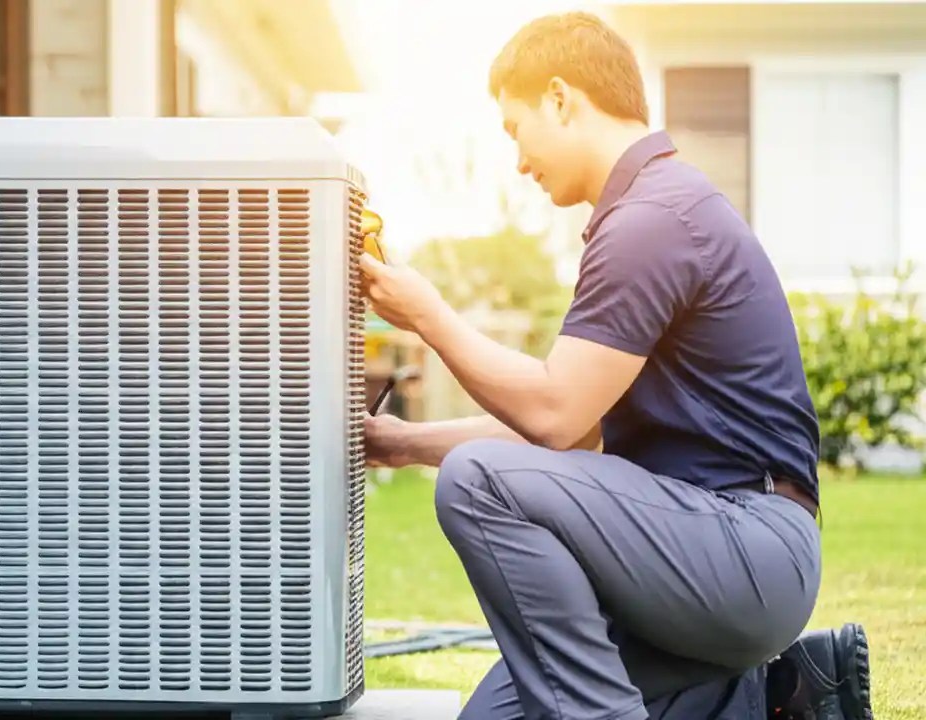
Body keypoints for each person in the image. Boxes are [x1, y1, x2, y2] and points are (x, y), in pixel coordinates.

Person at [359, 11, 872, 720]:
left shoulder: (655, 219)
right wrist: (399, 445)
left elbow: (554, 413)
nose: (517, 161)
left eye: (515, 130)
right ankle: (787, 696)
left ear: (561, 99)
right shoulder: (645, 214)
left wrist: (427, 316)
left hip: (746, 548)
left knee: (477, 484)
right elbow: (568, 437)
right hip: (697, 552)